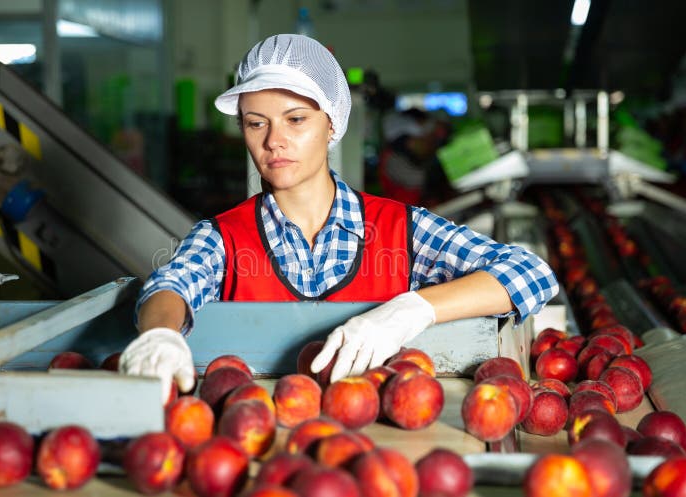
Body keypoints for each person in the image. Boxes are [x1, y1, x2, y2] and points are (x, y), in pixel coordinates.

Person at [119, 34, 559, 403]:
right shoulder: (223, 237)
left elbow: (531, 273)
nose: (275, 141)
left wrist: (411, 310)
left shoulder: (400, 229)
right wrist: (159, 335)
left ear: (333, 125)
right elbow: (171, 285)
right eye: (256, 123)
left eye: (295, 119)